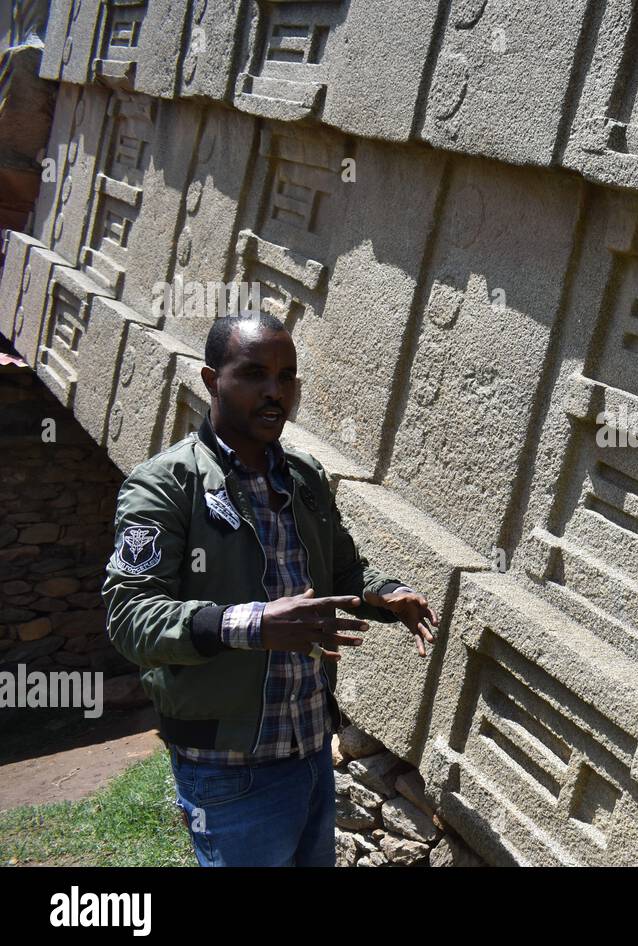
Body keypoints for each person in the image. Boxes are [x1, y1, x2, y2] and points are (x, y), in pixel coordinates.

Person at [102, 310, 436, 866]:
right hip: (228, 770)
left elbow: (343, 573)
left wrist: (384, 594)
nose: (274, 392)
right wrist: (253, 625)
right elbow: (130, 617)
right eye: (254, 374)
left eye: (287, 377)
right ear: (212, 381)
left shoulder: (303, 477)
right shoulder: (165, 485)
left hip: (309, 750)